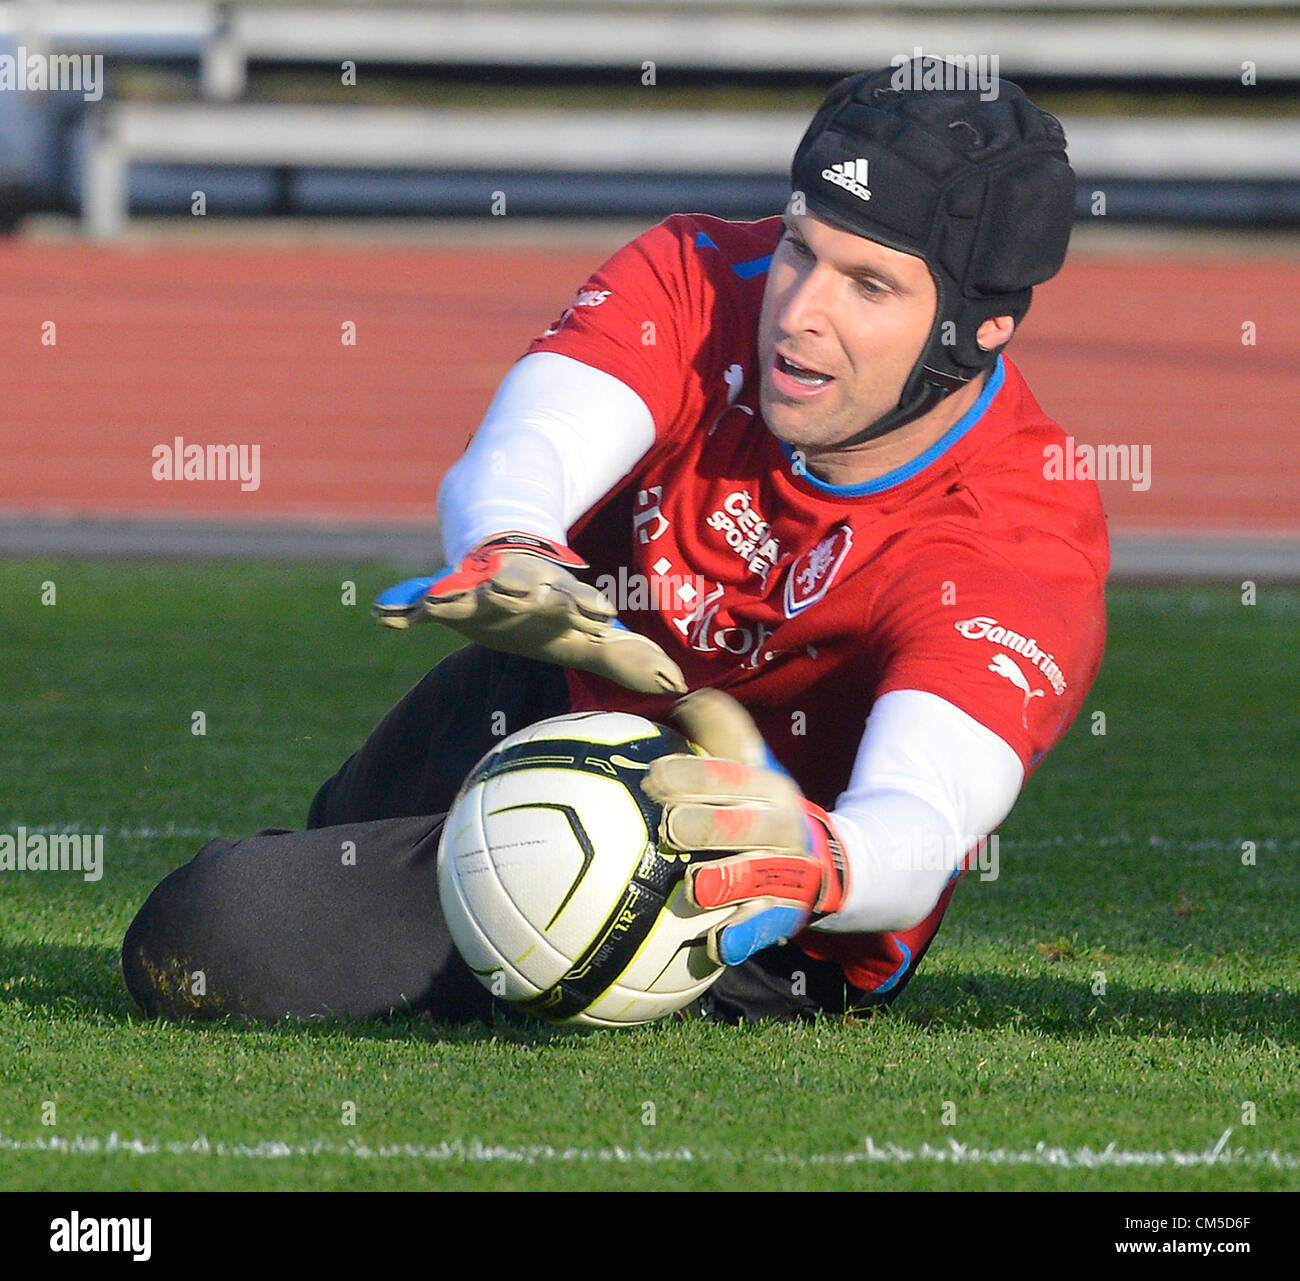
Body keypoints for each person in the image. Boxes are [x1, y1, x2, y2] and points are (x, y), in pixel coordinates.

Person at [122, 58, 1107, 1025]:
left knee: (215, 932)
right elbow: (537, 438)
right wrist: (513, 546)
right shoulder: (706, 273)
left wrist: (812, 857)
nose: (800, 313)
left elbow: (919, 824)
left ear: (975, 332)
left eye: (870, 287)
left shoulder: (1016, 536)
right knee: (334, 835)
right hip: (572, 691)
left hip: (745, 883)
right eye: (803, 247)